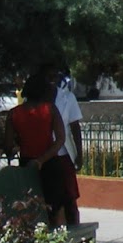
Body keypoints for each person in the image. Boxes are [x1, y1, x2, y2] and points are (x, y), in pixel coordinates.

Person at [2, 70, 74, 227]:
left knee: (29, 208)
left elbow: (8, 145)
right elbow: (60, 139)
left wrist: (15, 148)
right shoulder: (50, 109)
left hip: (26, 165)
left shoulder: (14, 114)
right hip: (49, 163)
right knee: (56, 208)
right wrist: (41, 159)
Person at [53, 68, 85, 226]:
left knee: (69, 197)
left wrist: (79, 153)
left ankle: (75, 231)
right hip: (41, 154)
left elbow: (75, 125)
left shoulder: (66, 97)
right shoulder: (33, 98)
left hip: (63, 154)